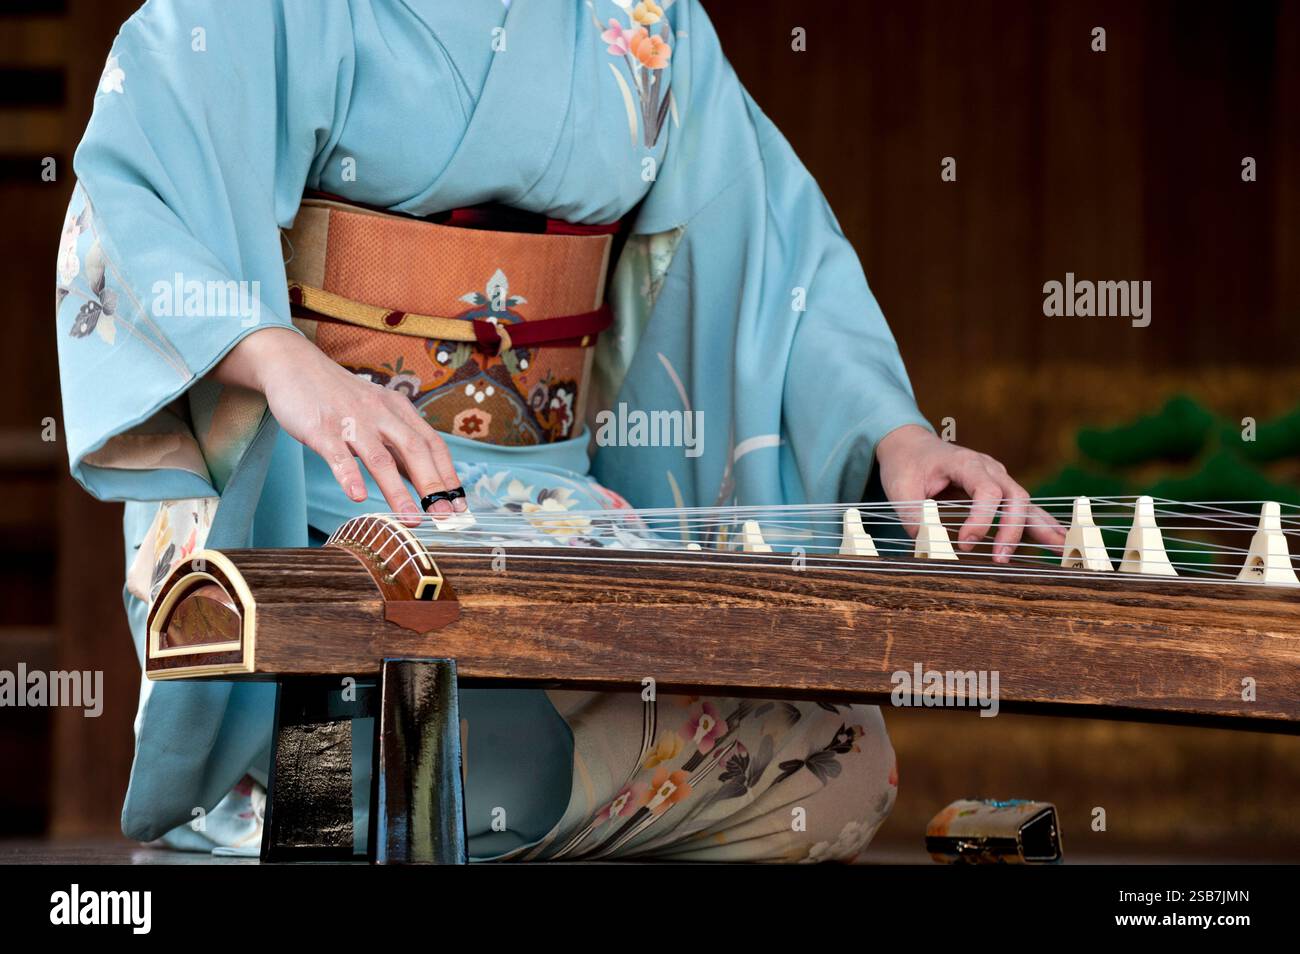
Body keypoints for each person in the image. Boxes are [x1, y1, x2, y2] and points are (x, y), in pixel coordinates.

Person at [54, 0, 1064, 862]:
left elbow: (769, 246)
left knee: (834, 761)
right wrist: (281, 362)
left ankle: (358, 806)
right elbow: (137, 191)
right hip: (331, 497)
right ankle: (325, 785)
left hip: (556, 511)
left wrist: (892, 436)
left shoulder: (641, 19)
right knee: (464, 742)